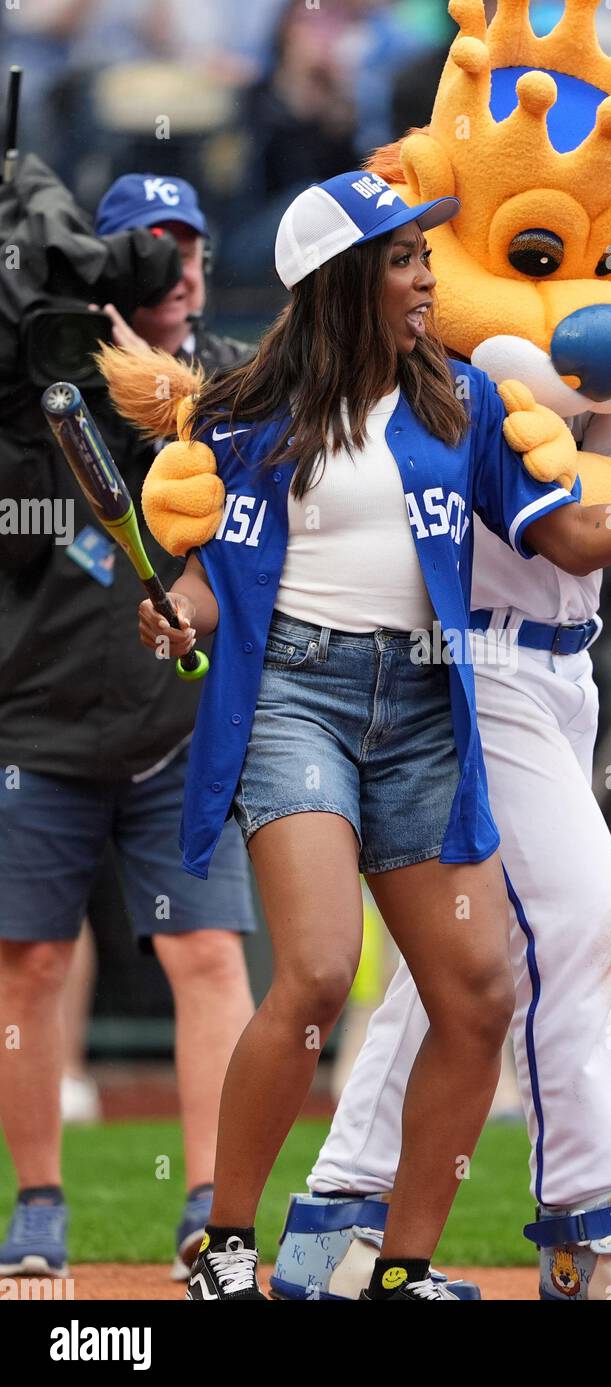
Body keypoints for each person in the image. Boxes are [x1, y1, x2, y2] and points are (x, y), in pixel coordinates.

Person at [107, 167, 611, 1301]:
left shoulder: (465, 402)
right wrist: (172, 613)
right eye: (401, 259)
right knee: (312, 969)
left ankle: (393, 1264)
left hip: (423, 708)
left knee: (479, 993)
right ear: (340, 281)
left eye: (421, 257)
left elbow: (582, 538)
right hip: (297, 698)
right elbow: (209, 588)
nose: (424, 277)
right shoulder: (248, 412)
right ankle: (227, 1248)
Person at [0, 172, 256, 1284]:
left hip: (180, 725)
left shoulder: (238, 380)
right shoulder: (31, 384)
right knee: (27, 967)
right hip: (37, 726)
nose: (180, 266)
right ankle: (39, 1203)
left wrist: (164, 394)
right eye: (150, 249)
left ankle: (210, 1204)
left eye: (190, 245)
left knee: (206, 952)